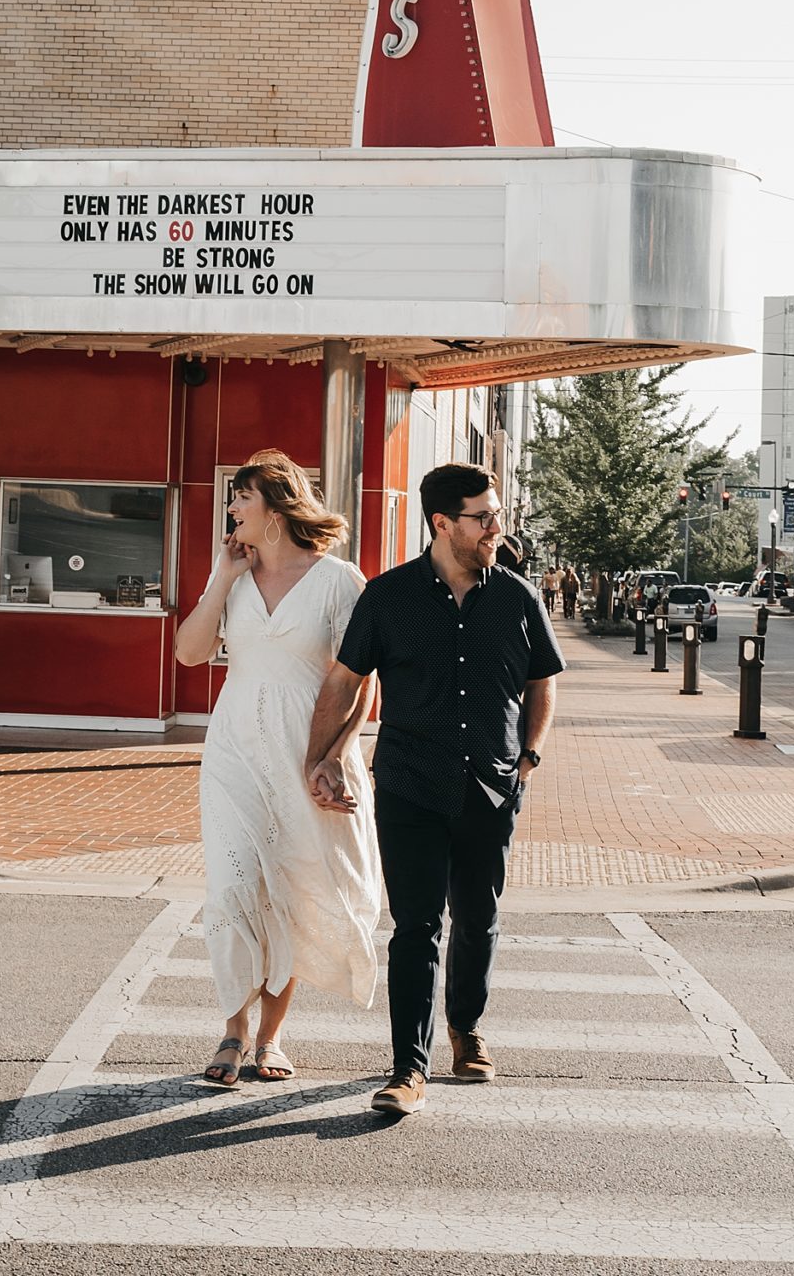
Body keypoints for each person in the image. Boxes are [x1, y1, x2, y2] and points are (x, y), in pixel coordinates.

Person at [306, 462, 565, 1117]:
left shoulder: (515, 596)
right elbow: (343, 682)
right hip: (410, 786)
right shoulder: (387, 597)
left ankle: (465, 1030)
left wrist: (527, 760)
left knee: (477, 920)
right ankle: (406, 1068)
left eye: (495, 515)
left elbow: (542, 680)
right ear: (441, 523)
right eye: (483, 518)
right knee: (416, 927)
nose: (495, 529)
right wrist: (321, 758)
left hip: (490, 786)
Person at [175, 448, 379, 1087]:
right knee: (234, 887)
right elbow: (188, 653)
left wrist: (336, 755)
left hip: (303, 748)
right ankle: (232, 1031)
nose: (231, 508)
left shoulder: (340, 580)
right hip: (234, 745)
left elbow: (360, 682)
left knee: (287, 890)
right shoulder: (232, 575)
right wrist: (218, 579)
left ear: (276, 508)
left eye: (241, 498)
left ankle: (272, 1037)